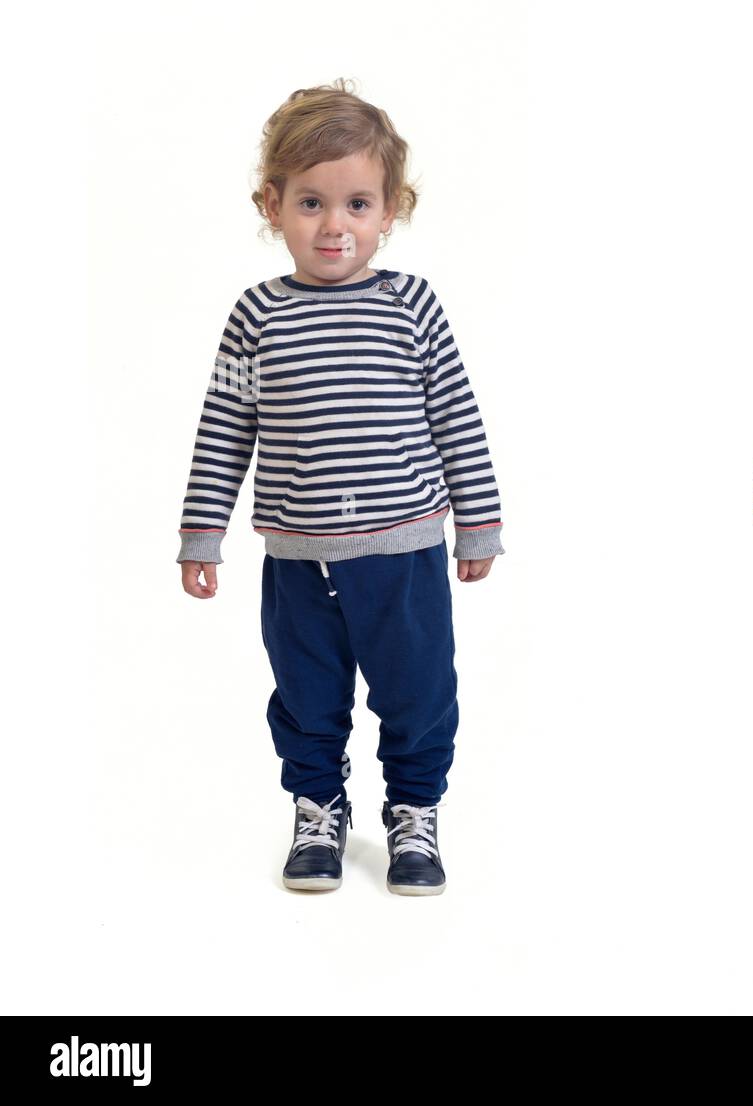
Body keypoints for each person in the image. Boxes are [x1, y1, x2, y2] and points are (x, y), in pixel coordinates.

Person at [176, 79, 504, 896]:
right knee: (305, 694)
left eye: (357, 203)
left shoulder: (412, 305)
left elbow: (457, 418)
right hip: (298, 558)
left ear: (390, 209)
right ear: (273, 204)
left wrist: (479, 525)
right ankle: (318, 809)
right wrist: (201, 534)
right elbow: (224, 429)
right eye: (312, 203)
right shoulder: (255, 316)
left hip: (404, 553)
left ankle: (415, 815)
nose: (334, 225)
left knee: (420, 690)